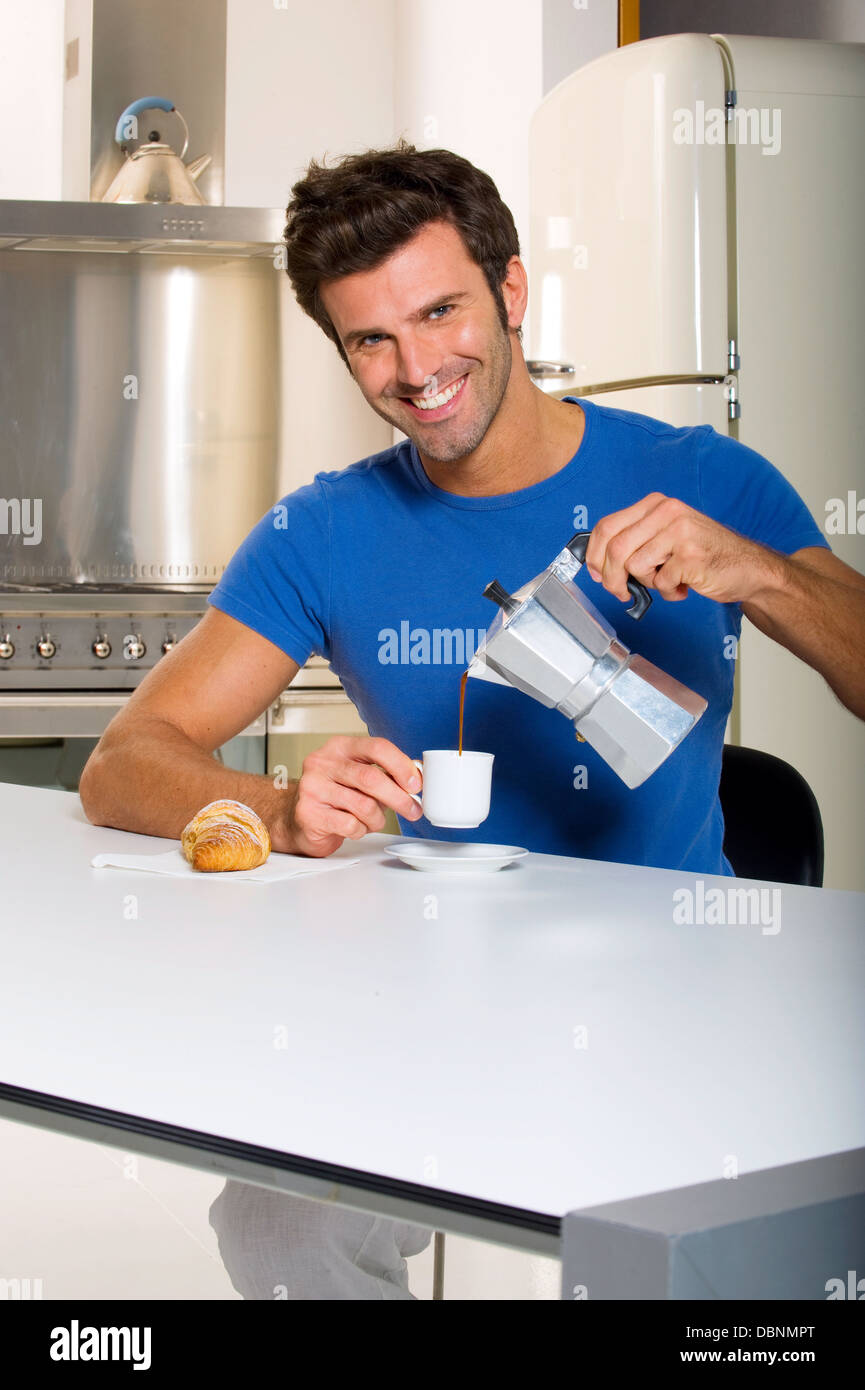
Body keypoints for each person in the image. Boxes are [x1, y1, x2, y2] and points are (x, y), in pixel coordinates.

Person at [79, 141, 865, 1299]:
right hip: (428, 997)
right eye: (371, 340)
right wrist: (283, 807)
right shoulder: (326, 532)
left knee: (712, 1281)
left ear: (509, 291)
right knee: (279, 1228)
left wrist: (755, 570)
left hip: (682, 988)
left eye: (441, 311)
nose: (416, 367)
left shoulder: (703, 472)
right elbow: (123, 762)